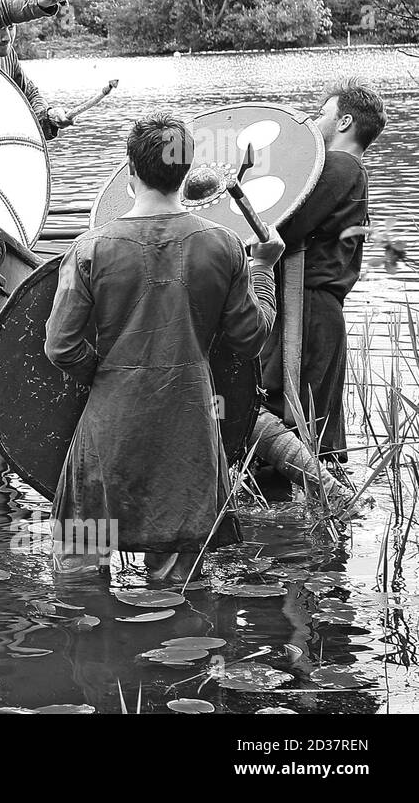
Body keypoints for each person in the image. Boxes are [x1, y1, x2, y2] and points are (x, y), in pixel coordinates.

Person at [45, 113, 284, 582]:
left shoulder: (90, 248)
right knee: (178, 583)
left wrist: (108, 373)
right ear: (186, 172)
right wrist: (263, 270)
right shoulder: (224, 246)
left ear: (129, 171)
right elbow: (251, 338)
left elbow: (60, 346)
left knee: (79, 574)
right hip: (189, 429)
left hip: (109, 426)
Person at [259, 79, 386, 465]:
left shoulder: (340, 165)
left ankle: (306, 511)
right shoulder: (349, 171)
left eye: (323, 113)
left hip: (307, 309)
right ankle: (313, 511)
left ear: (345, 120)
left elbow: (287, 225)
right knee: (309, 430)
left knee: (287, 418)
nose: (315, 119)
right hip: (317, 311)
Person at [0, 24, 68, 140]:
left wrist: (49, 116)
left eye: (10, 27)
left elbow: (30, 95)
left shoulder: (7, 54)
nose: (7, 38)